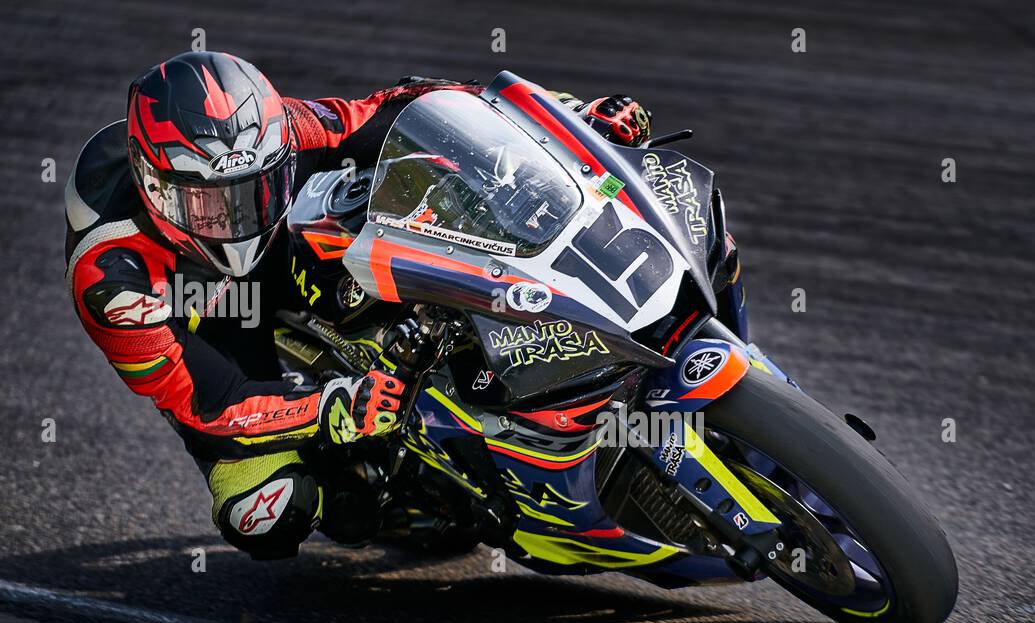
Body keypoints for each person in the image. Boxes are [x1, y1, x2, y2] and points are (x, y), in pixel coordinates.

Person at [64, 50, 651, 558]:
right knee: (267, 513)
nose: (234, 219)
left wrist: (566, 117)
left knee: (409, 186)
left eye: (253, 191)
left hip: (280, 250)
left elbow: (401, 107)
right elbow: (209, 405)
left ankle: (448, 344)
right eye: (209, 207)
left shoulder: (280, 131)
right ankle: (372, 478)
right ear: (155, 186)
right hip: (201, 315)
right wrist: (329, 408)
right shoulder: (112, 282)